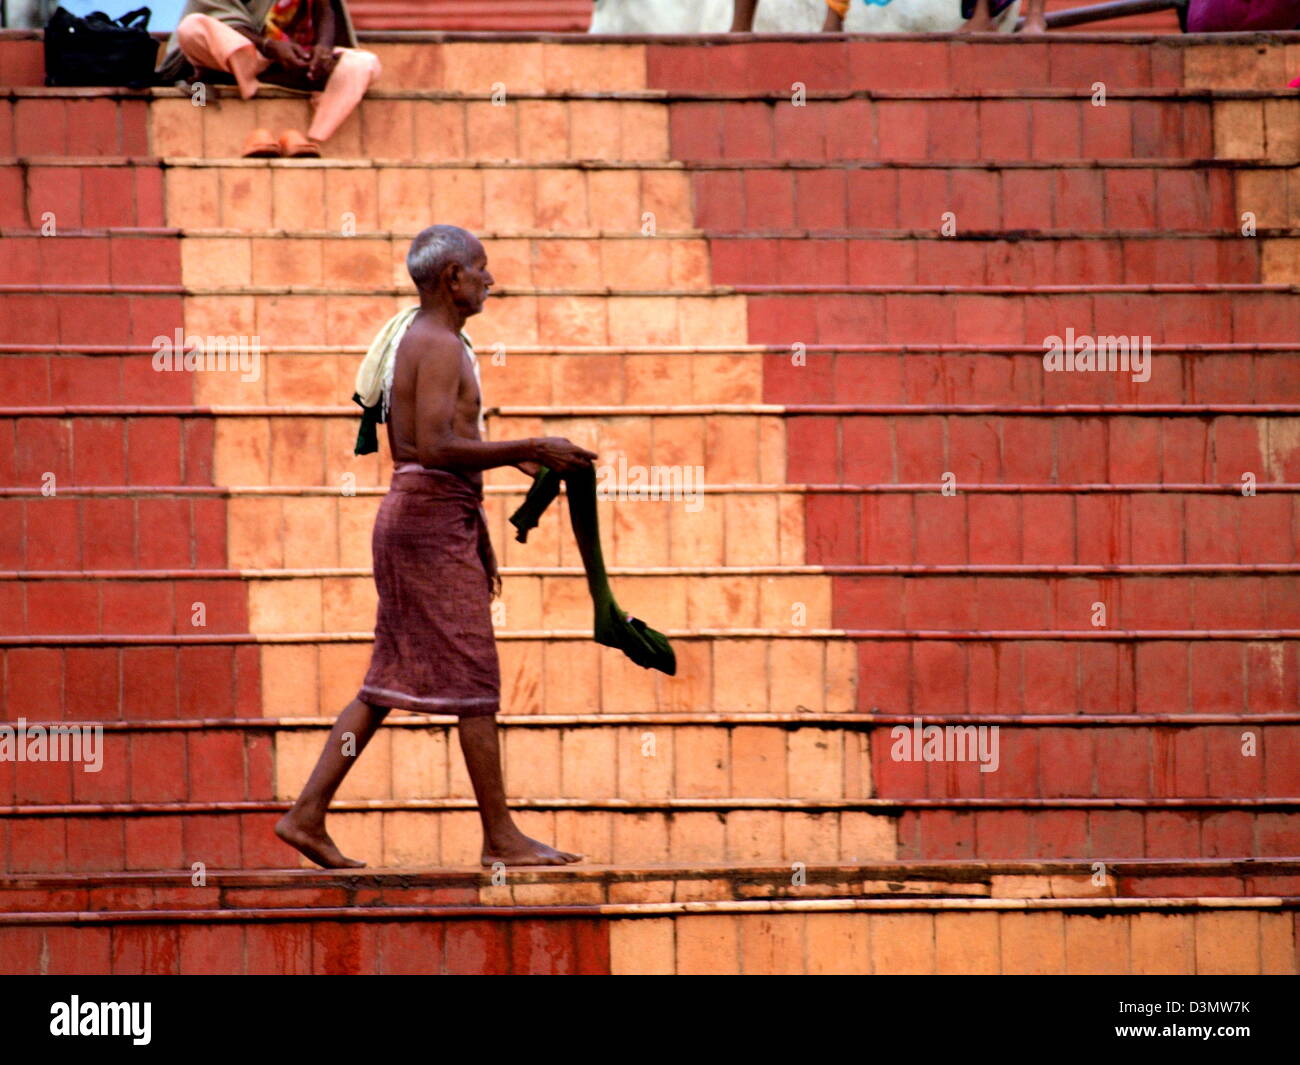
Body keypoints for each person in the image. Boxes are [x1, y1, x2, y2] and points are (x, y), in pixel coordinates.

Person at [275, 225, 598, 869]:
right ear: (453, 278)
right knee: (475, 676)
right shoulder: (440, 343)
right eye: (481, 268)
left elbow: (437, 449)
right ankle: (501, 836)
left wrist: (493, 503)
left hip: (429, 517)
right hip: (426, 523)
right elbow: (434, 446)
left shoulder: (423, 338)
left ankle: (307, 815)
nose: (490, 279)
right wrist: (533, 447)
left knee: (385, 681)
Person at [156, 0, 381, 157]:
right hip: (244, 53)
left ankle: (313, 138)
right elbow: (216, 13)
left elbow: (326, 9)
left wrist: (323, 48)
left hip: (297, 63)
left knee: (364, 63)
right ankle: (248, 74)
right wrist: (268, 46)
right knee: (192, 27)